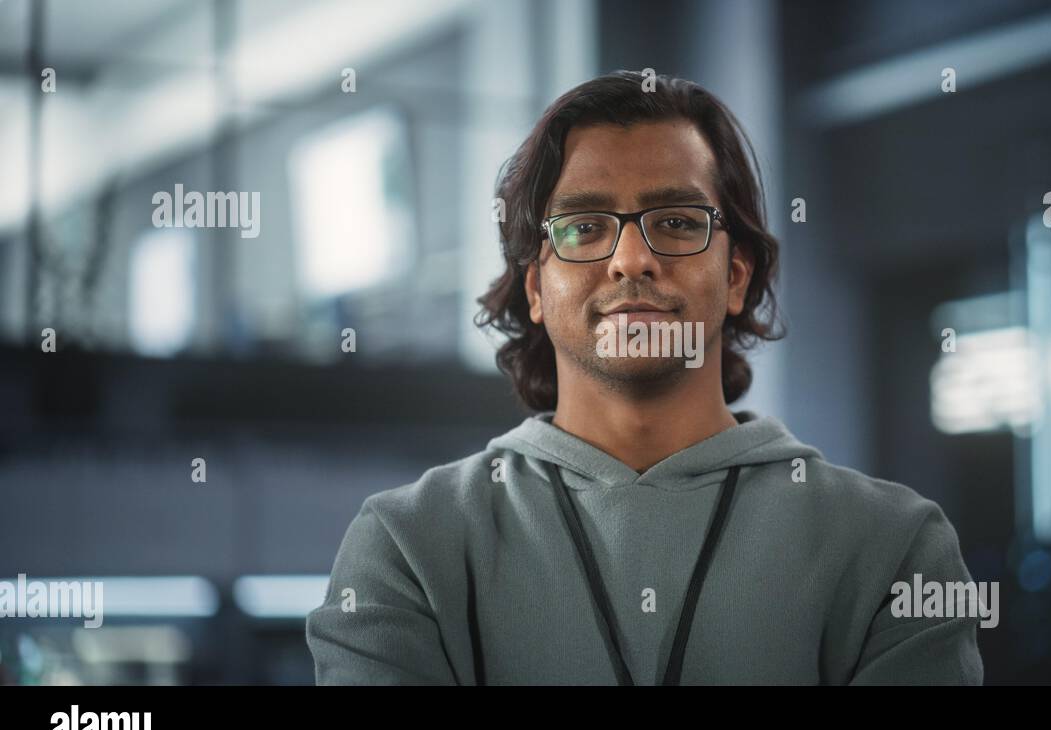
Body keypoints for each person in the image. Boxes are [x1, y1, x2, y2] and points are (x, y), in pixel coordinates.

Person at [306, 70, 984, 685]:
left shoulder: (894, 547)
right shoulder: (406, 546)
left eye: (678, 221)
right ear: (536, 285)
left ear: (737, 278)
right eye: (584, 227)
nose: (632, 258)